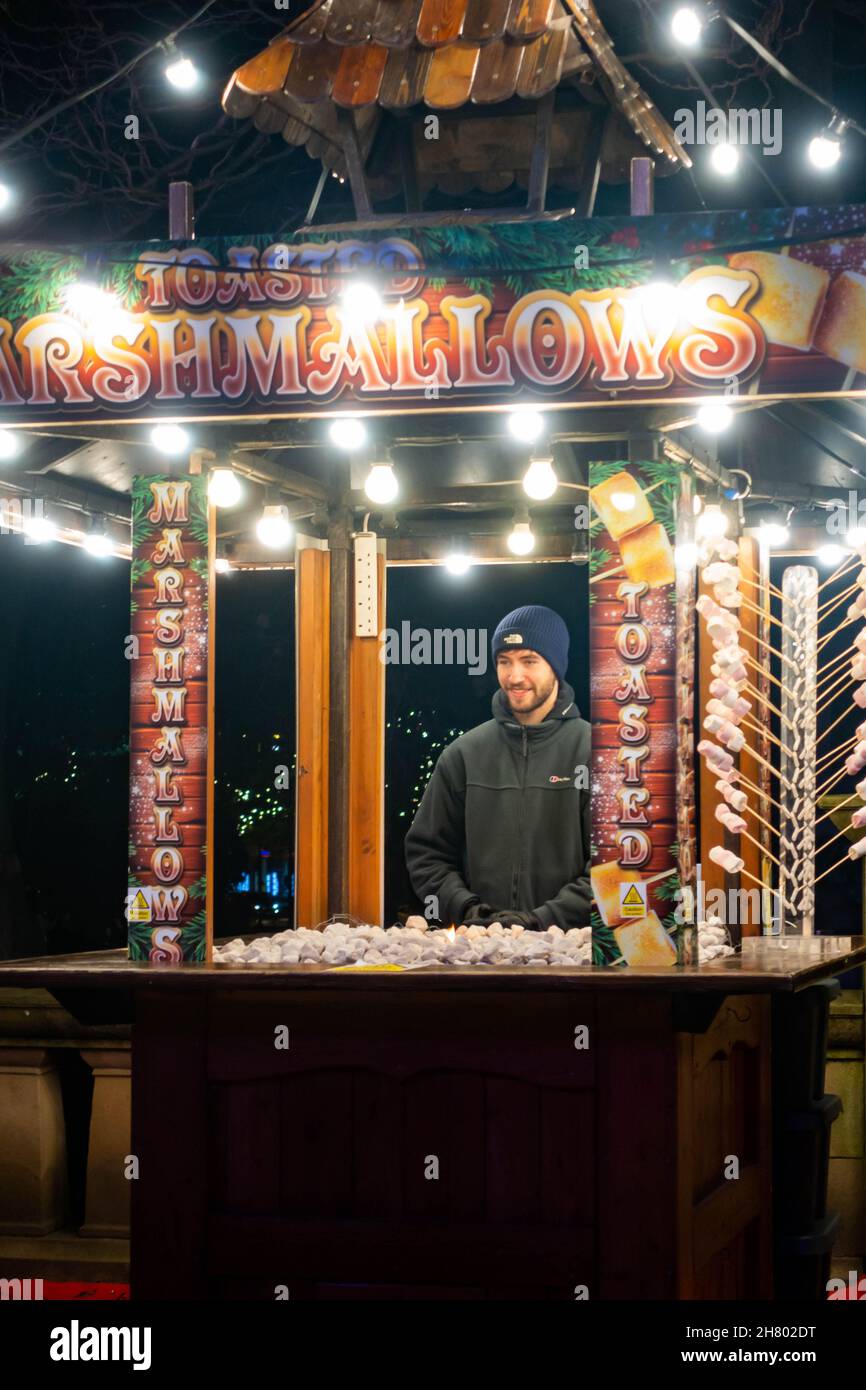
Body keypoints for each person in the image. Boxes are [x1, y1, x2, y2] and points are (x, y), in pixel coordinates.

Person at [405, 604, 591, 930]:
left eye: (529, 661)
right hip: (480, 956)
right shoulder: (463, 754)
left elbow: (615, 865)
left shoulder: (596, 751)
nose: (514, 676)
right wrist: (469, 910)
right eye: (505, 662)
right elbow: (426, 852)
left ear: (556, 667)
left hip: (572, 954)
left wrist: (542, 921)